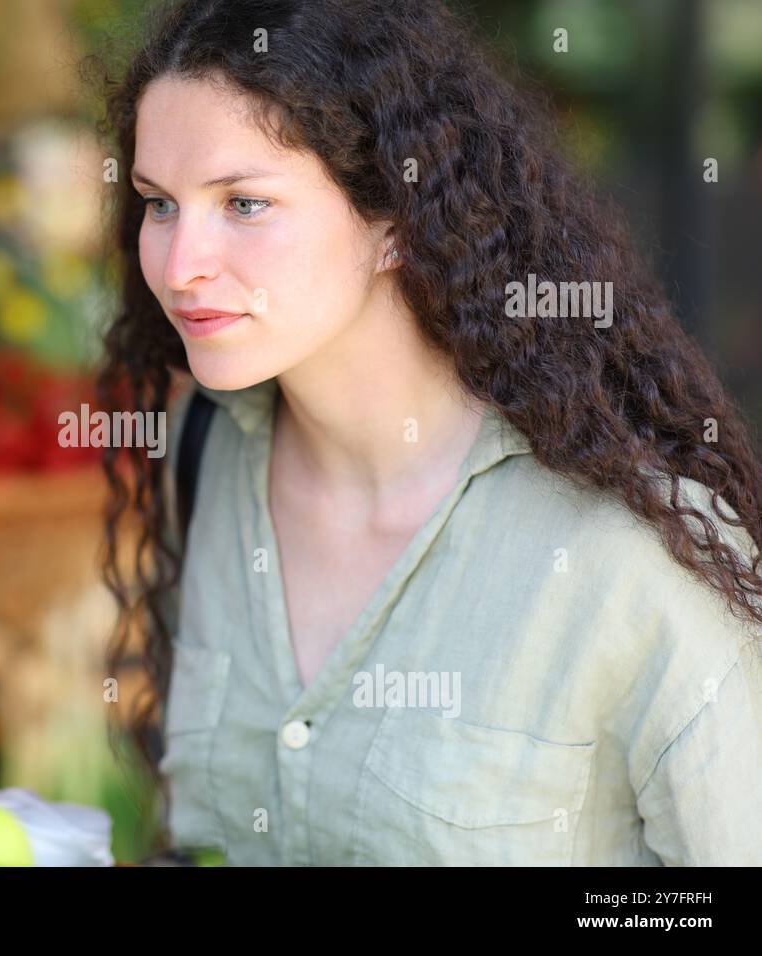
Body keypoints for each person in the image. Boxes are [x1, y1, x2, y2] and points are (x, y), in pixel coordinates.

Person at [93, 0, 762, 865]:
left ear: (395, 222)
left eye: (245, 203)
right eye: (159, 205)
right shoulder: (205, 451)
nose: (180, 266)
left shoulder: (634, 553)